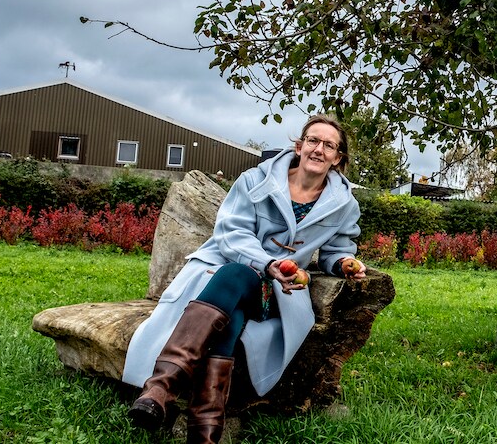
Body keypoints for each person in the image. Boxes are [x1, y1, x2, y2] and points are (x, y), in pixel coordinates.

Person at [121, 115, 367, 443]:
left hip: (277, 290)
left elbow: (336, 251)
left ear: (337, 158)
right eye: (312, 140)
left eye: (329, 145)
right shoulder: (255, 181)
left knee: (235, 281)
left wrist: (345, 264)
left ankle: (160, 389)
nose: (318, 149)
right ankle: (204, 432)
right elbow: (231, 232)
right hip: (227, 272)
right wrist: (267, 262)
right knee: (232, 303)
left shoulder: (344, 204)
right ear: (299, 146)